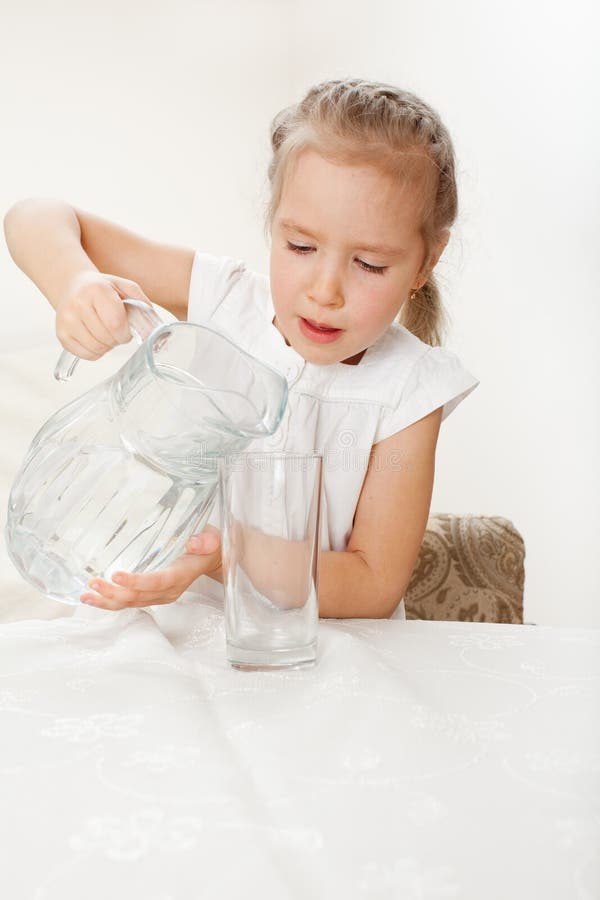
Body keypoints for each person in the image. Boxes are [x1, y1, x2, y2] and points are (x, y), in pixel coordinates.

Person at [3, 78, 478, 619]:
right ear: (272, 222)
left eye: (369, 264)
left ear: (426, 262)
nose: (325, 291)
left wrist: (222, 558)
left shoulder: (409, 391)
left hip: (325, 646)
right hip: (193, 636)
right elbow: (35, 216)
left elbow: (372, 585)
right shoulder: (225, 298)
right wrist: (74, 283)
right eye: (300, 246)